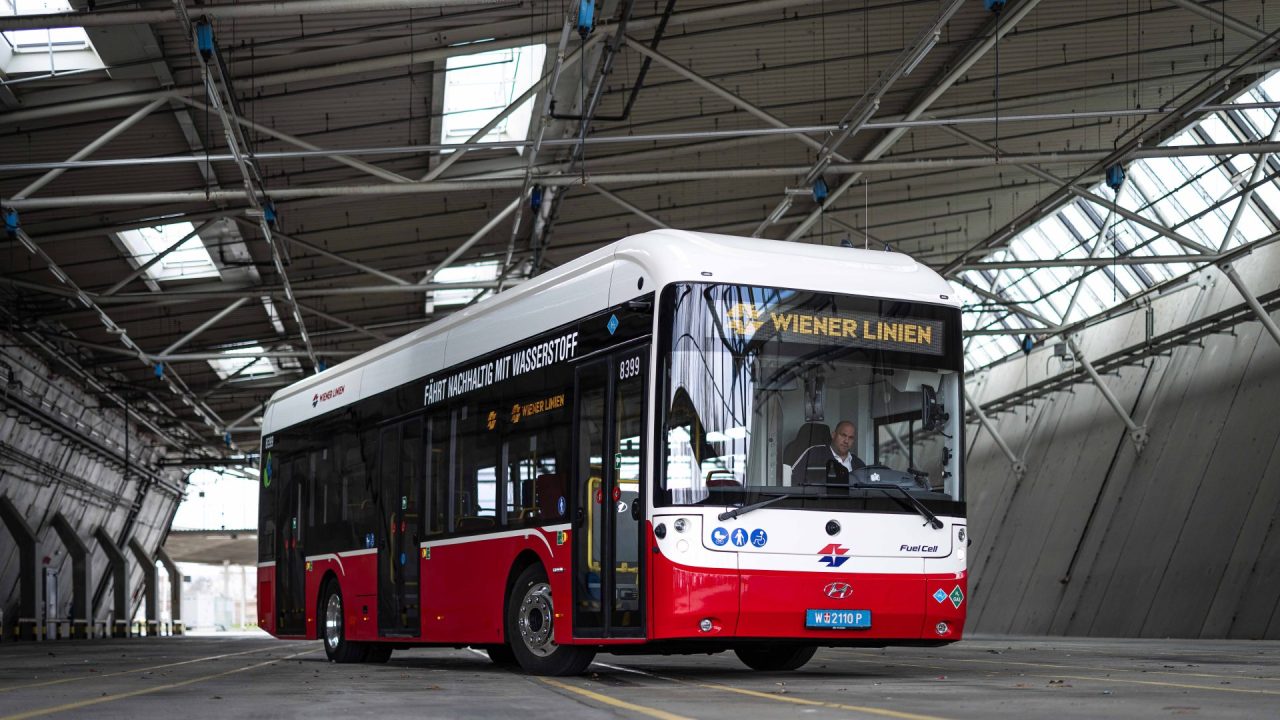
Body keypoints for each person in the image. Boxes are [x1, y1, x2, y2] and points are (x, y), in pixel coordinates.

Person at [790, 420, 866, 485]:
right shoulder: (814, 453)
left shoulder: (859, 464)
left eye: (851, 438)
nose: (846, 441)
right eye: (843, 435)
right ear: (833, 435)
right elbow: (793, 478)